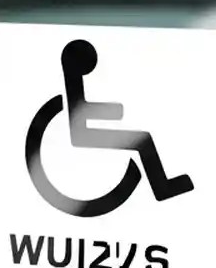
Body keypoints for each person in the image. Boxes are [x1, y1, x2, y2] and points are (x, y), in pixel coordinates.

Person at [59, 39, 194, 201]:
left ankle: (163, 187)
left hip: (82, 131)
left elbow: (81, 108)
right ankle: (162, 189)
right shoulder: (73, 78)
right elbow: (80, 111)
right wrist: (113, 112)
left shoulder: (72, 76)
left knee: (143, 140)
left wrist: (113, 112)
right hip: (83, 135)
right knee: (142, 140)